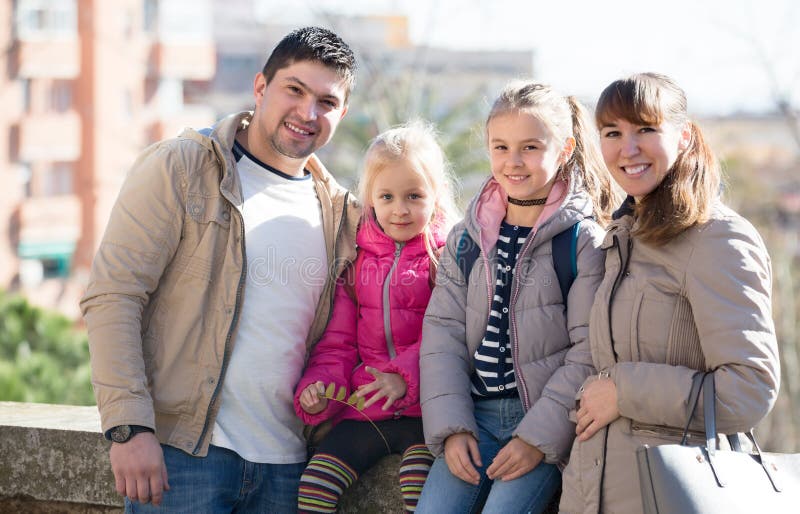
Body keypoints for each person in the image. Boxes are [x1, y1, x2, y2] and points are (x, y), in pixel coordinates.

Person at [79, 27, 359, 513]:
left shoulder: (341, 213)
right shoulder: (183, 166)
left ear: (342, 113)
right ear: (260, 87)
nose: (307, 113)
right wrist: (129, 428)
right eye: (294, 89)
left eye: (326, 101)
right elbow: (114, 295)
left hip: (289, 468)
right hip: (183, 457)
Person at [559, 72, 780, 513]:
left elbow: (749, 389)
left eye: (646, 129)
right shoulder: (620, 236)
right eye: (612, 133)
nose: (628, 148)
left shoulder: (718, 239)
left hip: (674, 495)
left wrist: (624, 391)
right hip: (593, 493)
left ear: (683, 136)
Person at [416, 80, 618, 514]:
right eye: (500, 147)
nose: (513, 162)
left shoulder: (581, 241)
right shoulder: (467, 239)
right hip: (475, 417)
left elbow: (589, 351)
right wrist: (453, 428)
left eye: (529, 147)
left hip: (544, 419)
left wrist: (537, 439)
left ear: (563, 150)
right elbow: (442, 335)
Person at [293, 120, 458, 513]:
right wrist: (319, 388)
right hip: (364, 410)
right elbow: (338, 342)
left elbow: (451, 334)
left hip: (423, 414)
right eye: (386, 196)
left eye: (414, 196)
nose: (399, 209)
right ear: (370, 199)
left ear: (435, 197)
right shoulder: (355, 262)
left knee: (417, 489)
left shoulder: (446, 258)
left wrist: (404, 377)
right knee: (314, 486)